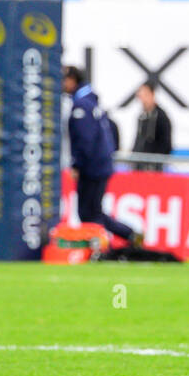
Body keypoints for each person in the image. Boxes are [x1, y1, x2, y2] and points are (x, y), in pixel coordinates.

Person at [63, 66, 146, 250]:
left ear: (72, 80)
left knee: (88, 212)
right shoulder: (90, 102)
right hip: (100, 164)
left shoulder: (82, 106)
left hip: (92, 167)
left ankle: (102, 247)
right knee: (93, 212)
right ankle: (129, 235)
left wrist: (77, 164)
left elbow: (85, 139)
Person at [132, 82, 173, 165]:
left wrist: (155, 162)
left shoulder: (161, 117)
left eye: (145, 95)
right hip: (139, 165)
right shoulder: (142, 116)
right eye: (140, 96)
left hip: (153, 167)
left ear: (152, 94)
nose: (142, 99)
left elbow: (165, 143)